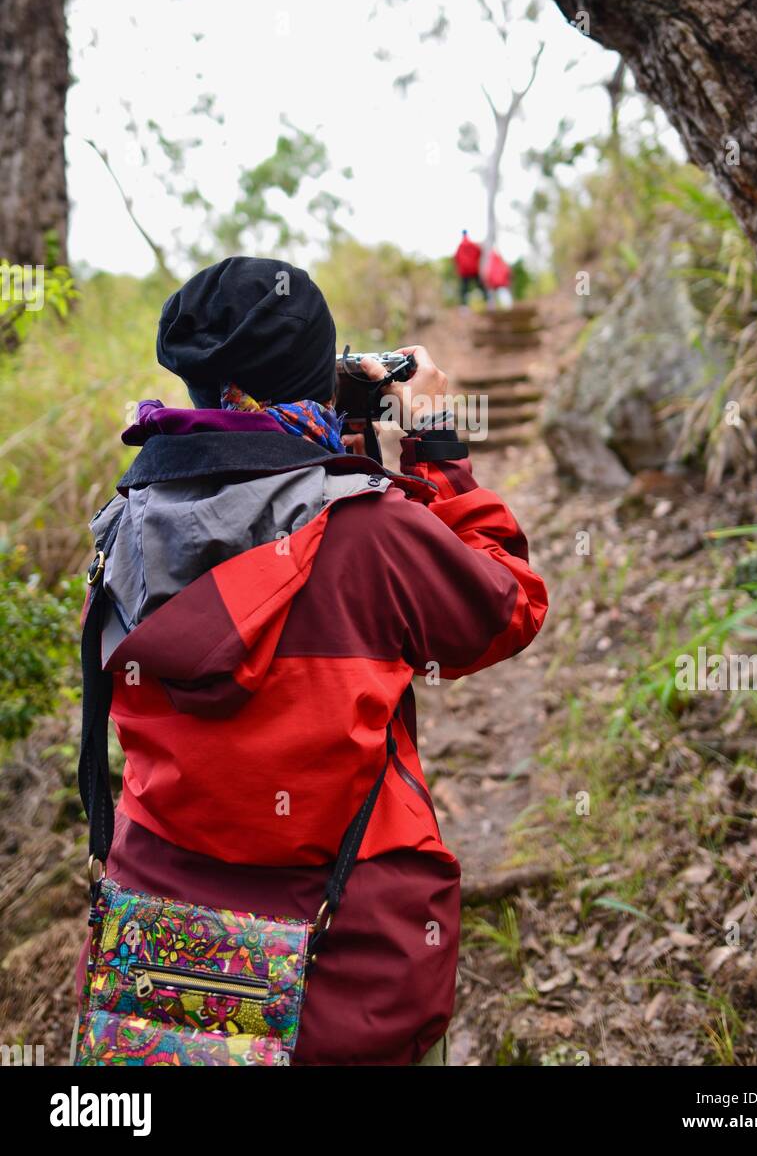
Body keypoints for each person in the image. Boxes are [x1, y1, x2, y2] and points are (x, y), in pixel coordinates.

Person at [74, 255, 548, 1067]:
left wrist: (341, 455)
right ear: (319, 383)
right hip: (343, 955)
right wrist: (435, 452)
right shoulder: (372, 529)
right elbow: (506, 608)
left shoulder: (122, 527)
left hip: (165, 950)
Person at [453, 228, 486, 306]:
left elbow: (456, 258)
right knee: (480, 286)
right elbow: (480, 252)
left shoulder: (460, 246)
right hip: (474, 269)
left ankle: (464, 306)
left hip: (464, 271)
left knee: (464, 289)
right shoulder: (473, 245)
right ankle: (487, 302)